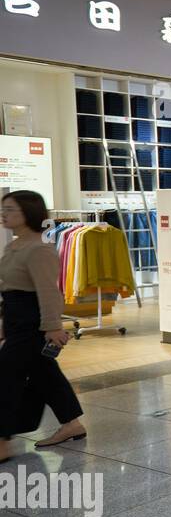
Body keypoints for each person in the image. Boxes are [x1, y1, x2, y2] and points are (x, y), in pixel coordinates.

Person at [0, 190, 86, 457]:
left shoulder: (39, 249)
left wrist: (53, 327)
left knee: (5, 377)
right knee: (44, 373)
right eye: (3, 208)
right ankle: (72, 424)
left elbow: (49, 292)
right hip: (16, 317)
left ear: (29, 212)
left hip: (31, 321)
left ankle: (3, 442)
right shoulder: (14, 245)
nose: (4, 214)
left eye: (10, 209)